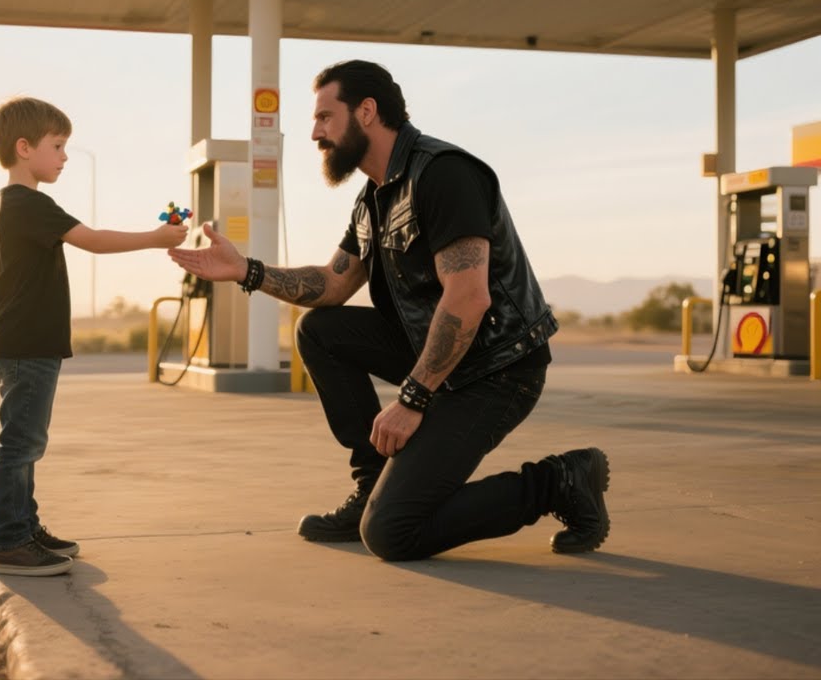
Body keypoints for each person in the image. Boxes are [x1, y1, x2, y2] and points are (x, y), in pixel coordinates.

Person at [168, 61, 609, 561]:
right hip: (444, 358)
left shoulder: (444, 173)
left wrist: (412, 398)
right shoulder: (373, 200)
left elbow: (468, 297)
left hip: (497, 369)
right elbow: (333, 283)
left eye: (325, 117)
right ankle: (373, 484)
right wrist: (246, 270)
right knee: (320, 331)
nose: (315, 134)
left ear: (367, 112)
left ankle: (559, 481)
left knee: (392, 533)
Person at [0, 97, 187, 576]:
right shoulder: (29, 204)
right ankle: (10, 542)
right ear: (24, 148)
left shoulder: (13, 203)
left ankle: (25, 527)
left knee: (28, 442)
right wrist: (155, 238)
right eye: (57, 146)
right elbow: (92, 240)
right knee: (21, 444)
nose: (64, 157)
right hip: (28, 343)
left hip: (26, 342)